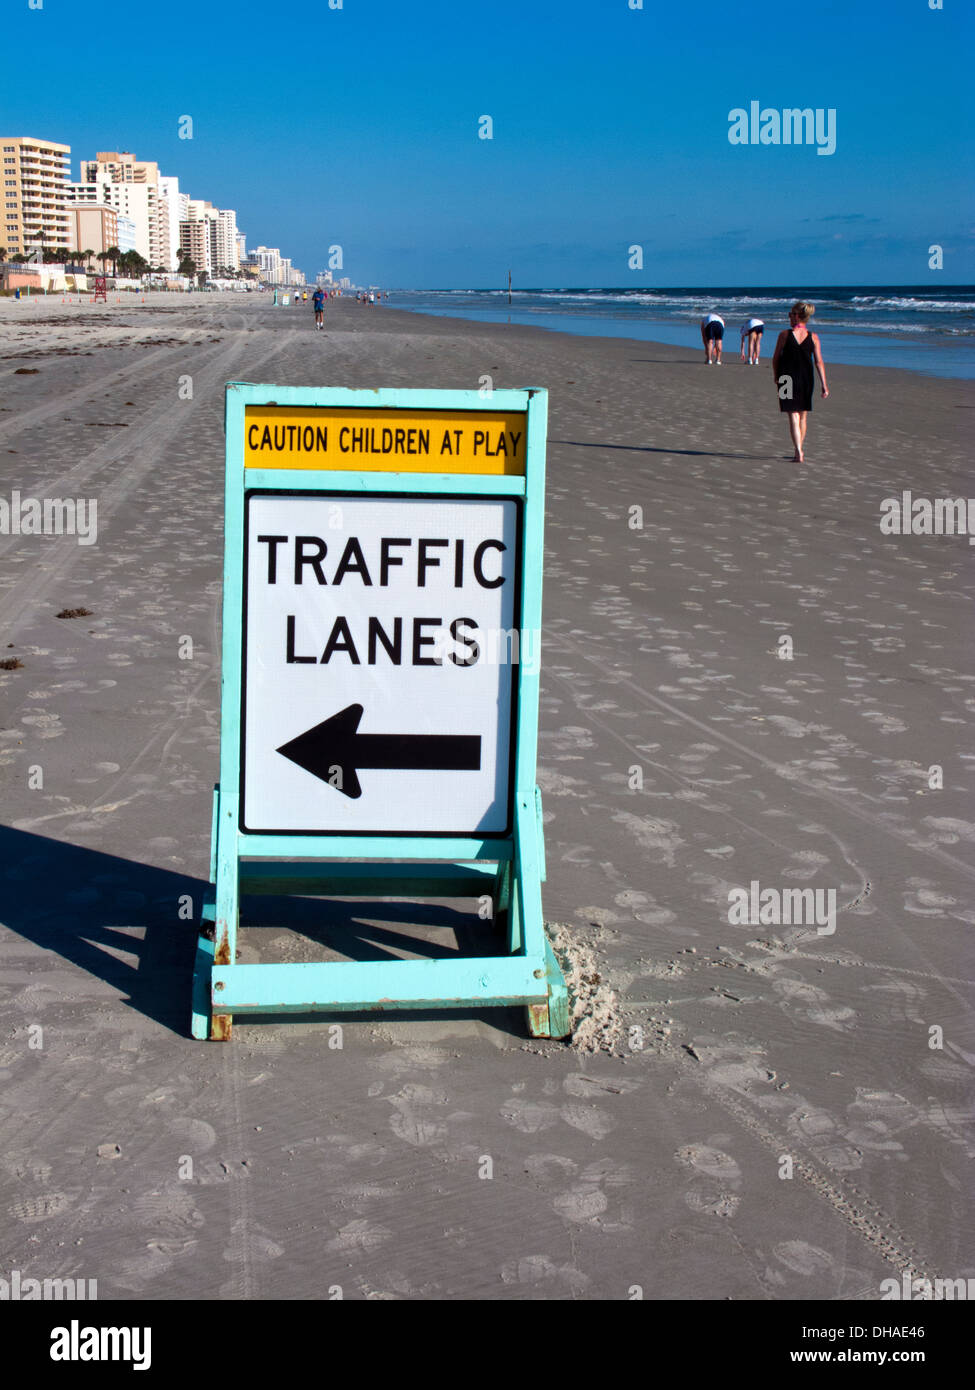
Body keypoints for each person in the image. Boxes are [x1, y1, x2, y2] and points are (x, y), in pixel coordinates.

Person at [772, 301, 829, 462]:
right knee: (802, 416)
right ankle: (799, 449)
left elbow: (776, 358)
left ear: (797, 316)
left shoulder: (784, 335)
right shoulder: (814, 337)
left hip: (785, 378)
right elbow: (819, 362)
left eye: (790, 314)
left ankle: (798, 451)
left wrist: (776, 376)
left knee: (792, 415)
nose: (789, 317)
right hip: (807, 378)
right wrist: (824, 384)